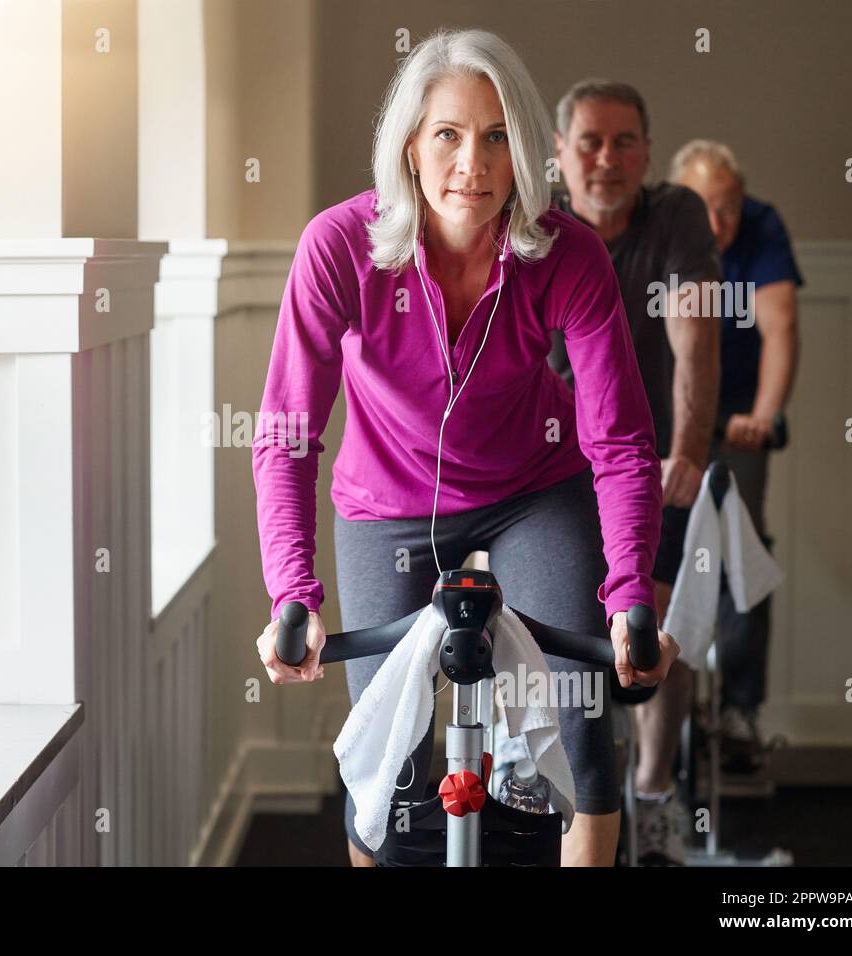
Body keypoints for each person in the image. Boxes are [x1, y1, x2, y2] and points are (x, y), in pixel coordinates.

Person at [250, 28, 679, 868]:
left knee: (580, 719)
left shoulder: (569, 254)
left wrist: (630, 597)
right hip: (386, 506)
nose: (472, 165)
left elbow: (622, 440)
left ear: (523, 150)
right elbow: (288, 433)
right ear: (410, 145)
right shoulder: (338, 247)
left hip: (532, 492)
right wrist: (291, 595)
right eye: (448, 134)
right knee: (388, 761)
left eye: (495, 138)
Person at [549, 79, 721, 865]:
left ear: (648, 153)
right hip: (556, 466)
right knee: (555, 632)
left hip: (655, 460)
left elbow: (696, 342)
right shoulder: (537, 226)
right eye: (589, 141)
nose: (606, 159)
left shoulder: (676, 216)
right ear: (559, 154)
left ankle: (652, 791)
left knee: (653, 642)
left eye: (624, 142)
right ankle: (566, 794)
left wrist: (685, 449)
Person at [671, 139, 801, 773]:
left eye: (729, 209)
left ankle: (738, 711)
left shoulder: (763, 227)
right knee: (646, 545)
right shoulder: (663, 222)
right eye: (705, 210)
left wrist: (765, 415)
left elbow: (780, 327)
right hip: (665, 415)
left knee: (741, 552)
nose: (719, 226)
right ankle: (643, 702)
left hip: (737, 419)